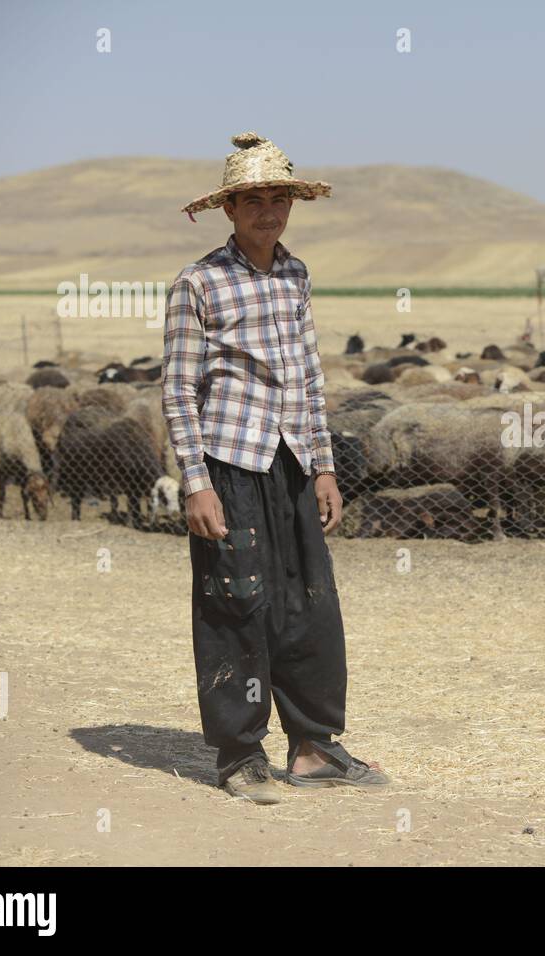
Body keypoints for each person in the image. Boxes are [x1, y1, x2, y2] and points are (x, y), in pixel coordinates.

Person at [162, 131, 387, 804]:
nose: (268, 211)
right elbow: (177, 389)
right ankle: (239, 757)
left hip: (291, 460)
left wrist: (323, 466)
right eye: (253, 200)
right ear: (229, 209)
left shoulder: (295, 274)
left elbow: (306, 377)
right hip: (229, 463)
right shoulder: (198, 282)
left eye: (278, 197)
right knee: (238, 603)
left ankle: (315, 746)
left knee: (310, 604)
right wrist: (196, 482)